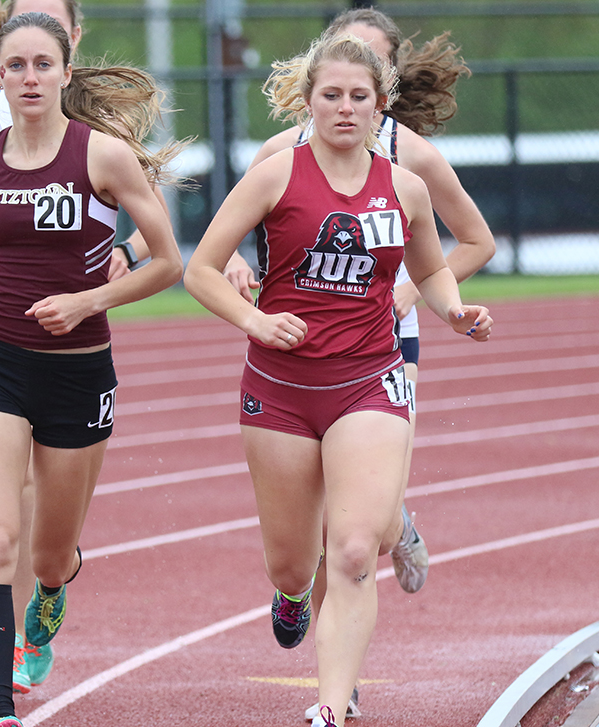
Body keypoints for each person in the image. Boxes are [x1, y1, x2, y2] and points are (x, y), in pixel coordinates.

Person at [183, 30, 492, 727]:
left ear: (382, 105)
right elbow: (201, 267)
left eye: (360, 97)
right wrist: (255, 321)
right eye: (332, 96)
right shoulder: (275, 174)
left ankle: (329, 705)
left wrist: (451, 309)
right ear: (309, 101)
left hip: (369, 381)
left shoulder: (405, 185)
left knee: (353, 548)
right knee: (294, 564)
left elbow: (434, 265)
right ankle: (292, 595)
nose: (346, 109)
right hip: (282, 387)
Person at [0, 12, 183, 727]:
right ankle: (0, 709)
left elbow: (169, 262)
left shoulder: (104, 158)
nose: (29, 77)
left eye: (41, 65)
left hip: (78, 373)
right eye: (16, 65)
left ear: (64, 71)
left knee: (50, 554)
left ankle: (53, 587)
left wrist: (90, 298)